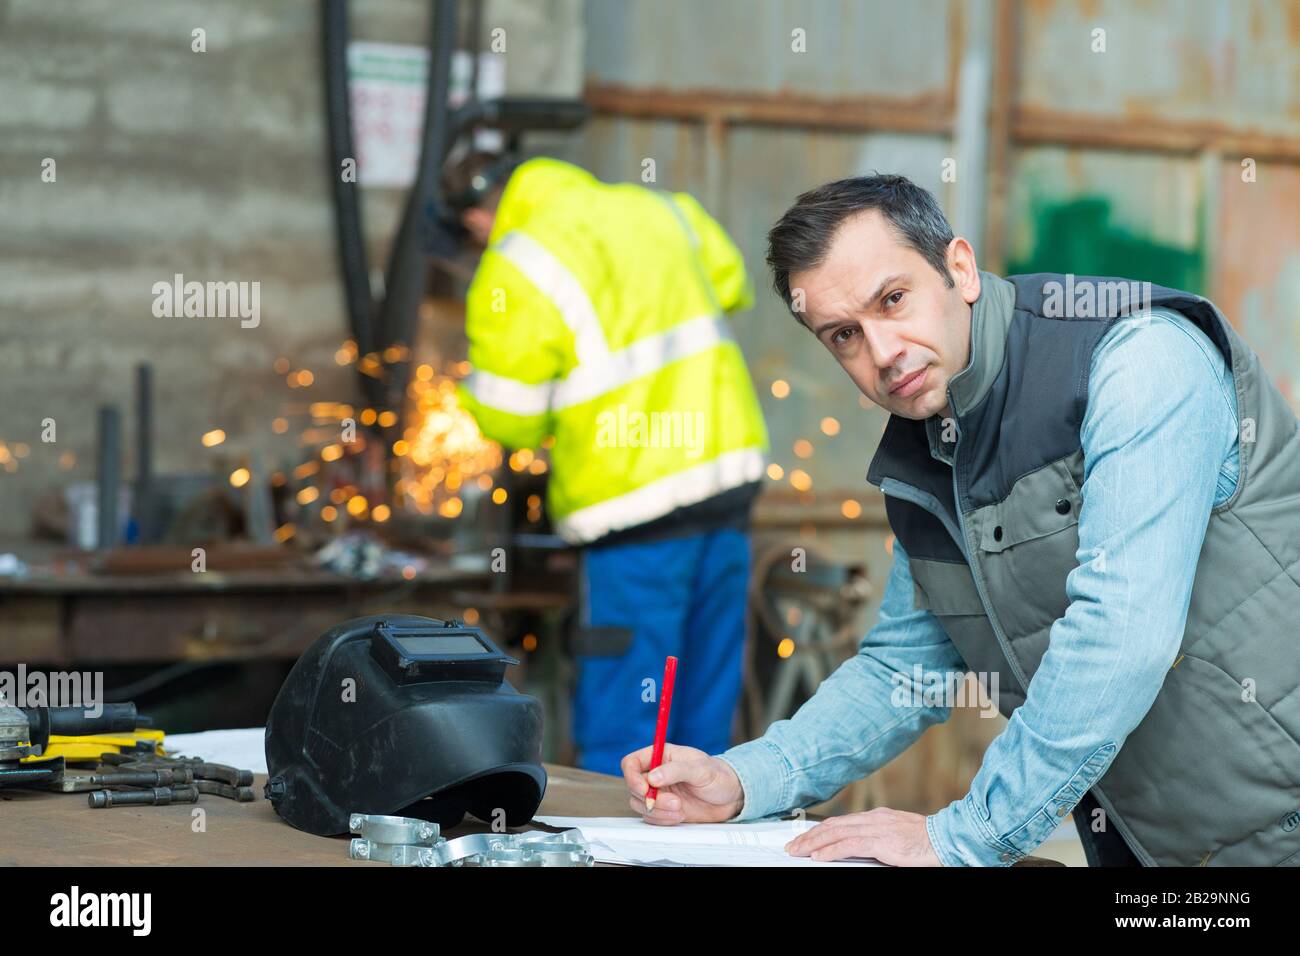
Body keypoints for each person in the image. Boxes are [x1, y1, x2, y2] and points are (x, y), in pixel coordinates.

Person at [621, 173, 1300, 867]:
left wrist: (966, 833)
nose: (882, 352)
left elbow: (1124, 633)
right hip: (1148, 843)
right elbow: (902, 669)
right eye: (844, 335)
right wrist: (744, 778)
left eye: (893, 300)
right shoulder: (929, 456)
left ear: (961, 269)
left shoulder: (1139, 363)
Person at [448, 152, 769, 775]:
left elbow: (508, 416)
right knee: (703, 716)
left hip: (634, 507)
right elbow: (733, 283)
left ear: (480, 216)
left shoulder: (518, 256)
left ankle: (617, 842)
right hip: (727, 485)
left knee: (630, 726)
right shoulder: (661, 208)